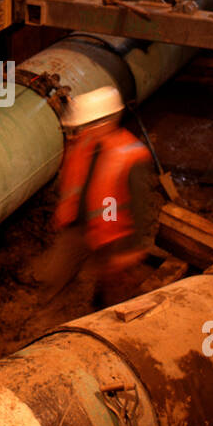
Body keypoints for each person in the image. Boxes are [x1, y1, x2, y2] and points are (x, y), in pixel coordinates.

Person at [52, 85, 154, 307]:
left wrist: (134, 247)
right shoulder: (84, 145)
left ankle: (106, 318)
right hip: (79, 226)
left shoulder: (130, 154)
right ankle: (53, 315)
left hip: (113, 235)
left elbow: (139, 206)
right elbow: (74, 182)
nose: (80, 132)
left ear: (106, 122)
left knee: (111, 291)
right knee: (56, 277)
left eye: (86, 126)